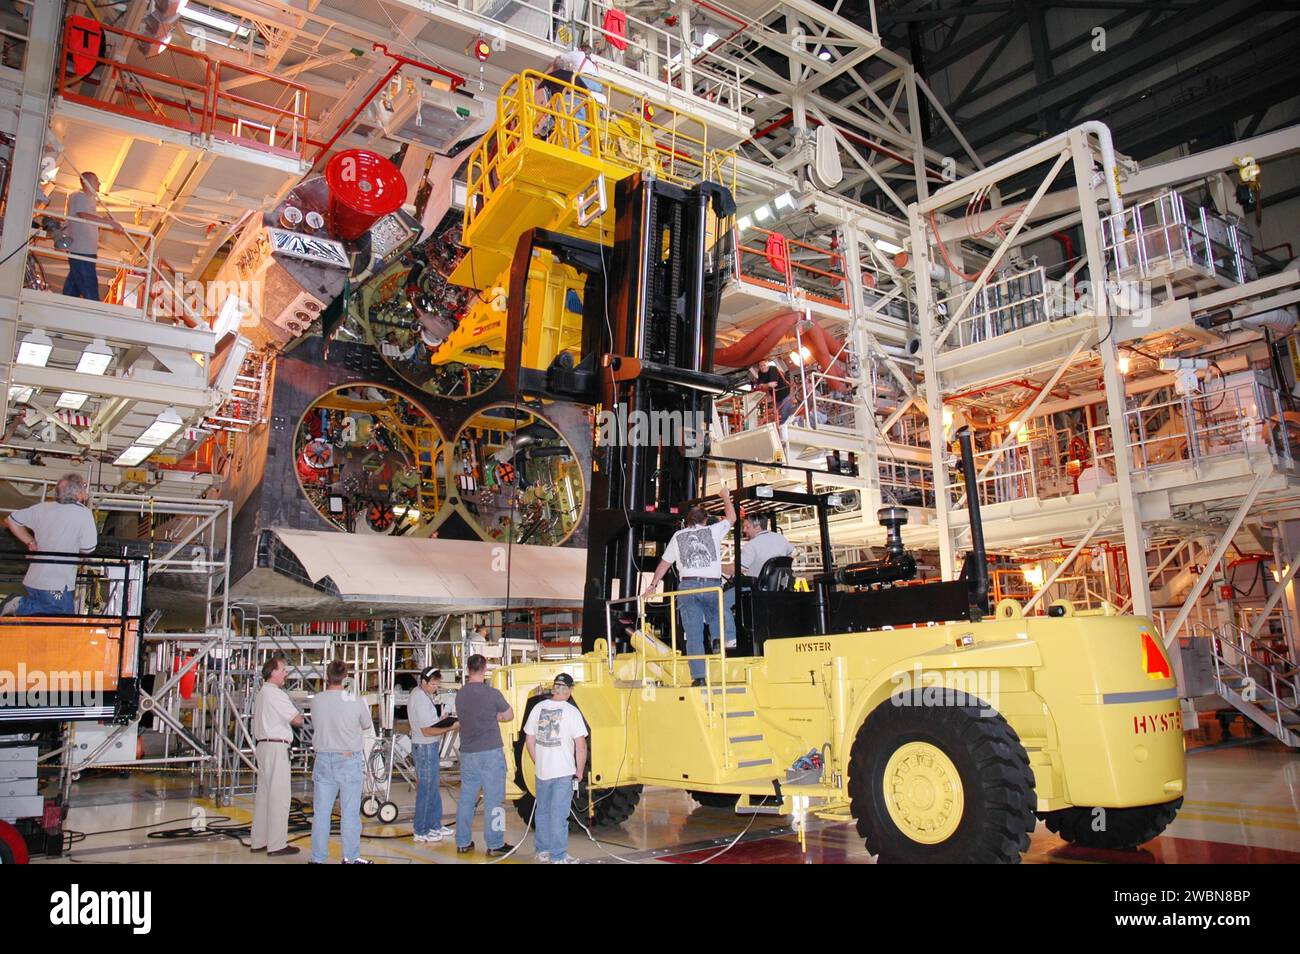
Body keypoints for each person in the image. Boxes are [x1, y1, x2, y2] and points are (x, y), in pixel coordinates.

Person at [641, 487, 737, 685]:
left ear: (688, 521)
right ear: (705, 520)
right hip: (711, 585)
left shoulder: (678, 536)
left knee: (693, 634)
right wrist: (726, 497)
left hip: (688, 587)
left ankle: (699, 678)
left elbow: (664, 564)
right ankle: (719, 640)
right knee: (716, 615)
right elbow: (732, 517)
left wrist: (653, 585)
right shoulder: (713, 530)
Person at [309, 660, 374, 864]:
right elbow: (366, 723)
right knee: (350, 813)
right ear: (346, 677)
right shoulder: (354, 700)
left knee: (321, 813)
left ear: (326, 677)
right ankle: (350, 857)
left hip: (323, 759)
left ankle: (318, 858)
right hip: (347, 759)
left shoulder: (317, 700)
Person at [4, 473, 97, 615]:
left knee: (40, 623)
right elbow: (88, 548)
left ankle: (22, 608)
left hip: (33, 578)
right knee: (61, 617)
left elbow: (11, 520)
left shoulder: (42, 508)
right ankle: (20, 604)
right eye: (84, 487)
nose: (86, 492)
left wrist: (30, 541)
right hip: (57, 581)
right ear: (78, 492)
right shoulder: (83, 514)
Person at [454, 653, 515, 857]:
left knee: (466, 799)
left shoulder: (460, 695)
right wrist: (495, 716)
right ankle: (495, 843)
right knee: (494, 800)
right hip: (490, 752)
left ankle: (462, 842)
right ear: (485, 668)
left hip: (468, 753)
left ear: (468, 669)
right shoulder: (492, 693)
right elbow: (509, 715)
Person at [523, 673, 587, 864]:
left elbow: (529, 739)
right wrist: (580, 771)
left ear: (554, 688)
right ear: (568, 690)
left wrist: (539, 760)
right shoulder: (572, 712)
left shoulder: (538, 708)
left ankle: (542, 851)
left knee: (542, 812)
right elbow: (581, 746)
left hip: (542, 772)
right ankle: (558, 856)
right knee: (559, 815)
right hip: (562, 772)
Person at [251, 655, 304, 857]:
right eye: (283, 670)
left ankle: (259, 840)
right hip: (276, 748)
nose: (286, 674)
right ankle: (277, 844)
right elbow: (297, 719)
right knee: (280, 797)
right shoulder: (276, 694)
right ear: (272, 672)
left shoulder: (262, 692)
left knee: (264, 796)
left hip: (263, 747)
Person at [722, 514, 796, 649]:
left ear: (757, 527)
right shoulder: (780, 539)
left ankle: (731, 638)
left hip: (756, 588)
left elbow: (735, 569)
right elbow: (793, 553)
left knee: (720, 601)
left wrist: (716, 566)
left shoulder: (752, 545)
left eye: (747, 526)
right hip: (777, 589)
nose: (744, 530)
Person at [407, 667, 457, 844]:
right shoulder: (419, 698)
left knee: (433, 787)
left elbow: (429, 723)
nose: (436, 687)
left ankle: (434, 824)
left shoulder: (423, 694)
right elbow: (427, 731)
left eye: (438, 684)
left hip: (429, 746)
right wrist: (450, 727)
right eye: (433, 684)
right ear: (424, 682)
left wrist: (442, 719)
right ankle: (421, 829)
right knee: (426, 790)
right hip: (425, 747)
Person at [61, 171, 123, 301]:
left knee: (75, 282)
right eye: (96, 180)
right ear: (87, 182)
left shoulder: (87, 199)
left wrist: (104, 219)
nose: (99, 183)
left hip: (85, 249)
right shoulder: (80, 196)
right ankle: (94, 308)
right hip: (82, 249)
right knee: (88, 282)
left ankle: (66, 303)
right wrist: (108, 222)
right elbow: (83, 215)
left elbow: (86, 214)